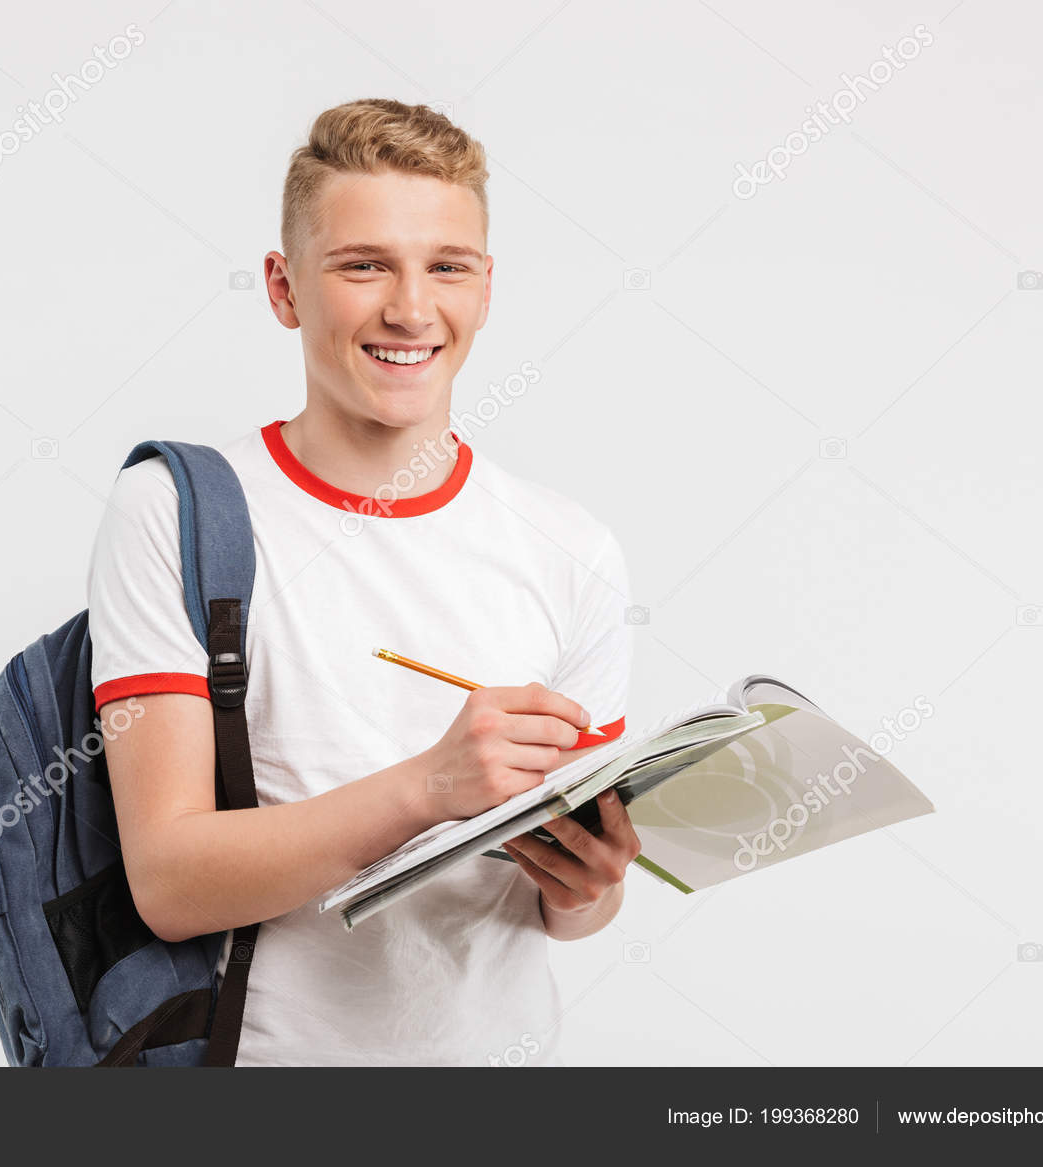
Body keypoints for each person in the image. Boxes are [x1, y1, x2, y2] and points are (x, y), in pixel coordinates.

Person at [87, 98, 640, 1066]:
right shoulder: (174, 512)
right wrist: (430, 785)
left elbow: (569, 921)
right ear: (283, 286)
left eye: (446, 267)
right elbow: (169, 885)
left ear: (486, 285)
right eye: (363, 264)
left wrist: (586, 886)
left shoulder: (570, 545)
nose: (411, 309)